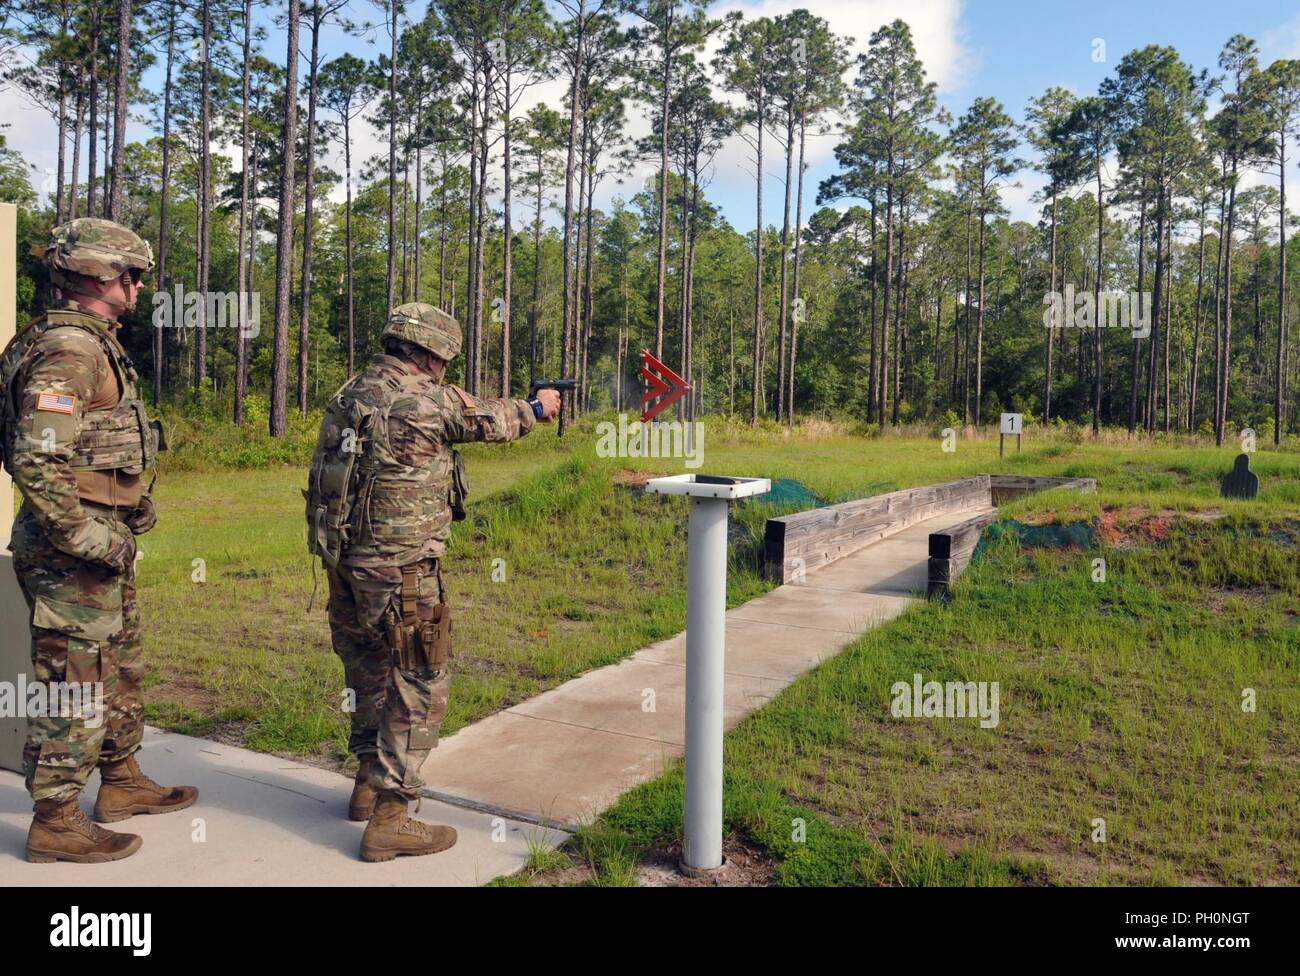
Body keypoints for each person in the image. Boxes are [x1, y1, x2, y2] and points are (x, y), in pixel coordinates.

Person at [305, 302, 559, 861]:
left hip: (346, 566)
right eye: (443, 358)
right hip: (401, 570)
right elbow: (493, 420)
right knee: (420, 681)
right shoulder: (424, 397)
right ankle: (392, 815)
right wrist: (537, 407)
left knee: (369, 673)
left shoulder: (352, 392)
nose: (445, 368)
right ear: (428, 352)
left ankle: (367, 786)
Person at [0, 218, 198, 864]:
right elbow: (38, 459)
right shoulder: (70, 351)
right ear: (94, 275)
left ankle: (120, 780)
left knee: (118, 668)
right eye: (130, 274)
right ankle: (56, 818)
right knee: (75, 682)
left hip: (101, 538)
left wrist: (127, 506)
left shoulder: (94, 344)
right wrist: (87, 535)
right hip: (71, 552)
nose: (138, 287)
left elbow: (90, 447)